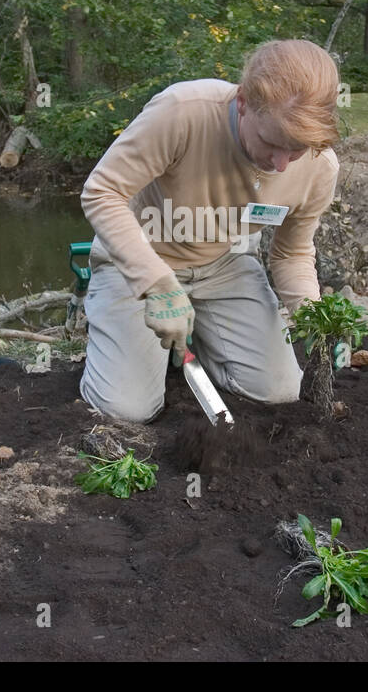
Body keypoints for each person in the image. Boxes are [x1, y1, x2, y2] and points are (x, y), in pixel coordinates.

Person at [79, 39, 341, 422]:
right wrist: (158, 285)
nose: (282, 165)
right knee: (128, 409)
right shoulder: (183, 113)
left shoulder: (320, 167)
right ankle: (129, 338)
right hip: (140, 259)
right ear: (243, 103)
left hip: (225, 264)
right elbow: (102, 193)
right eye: (271, 143)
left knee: (280, 392)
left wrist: (314, 318)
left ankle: (198, 337)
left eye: (296, 150)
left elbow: (291, 253)